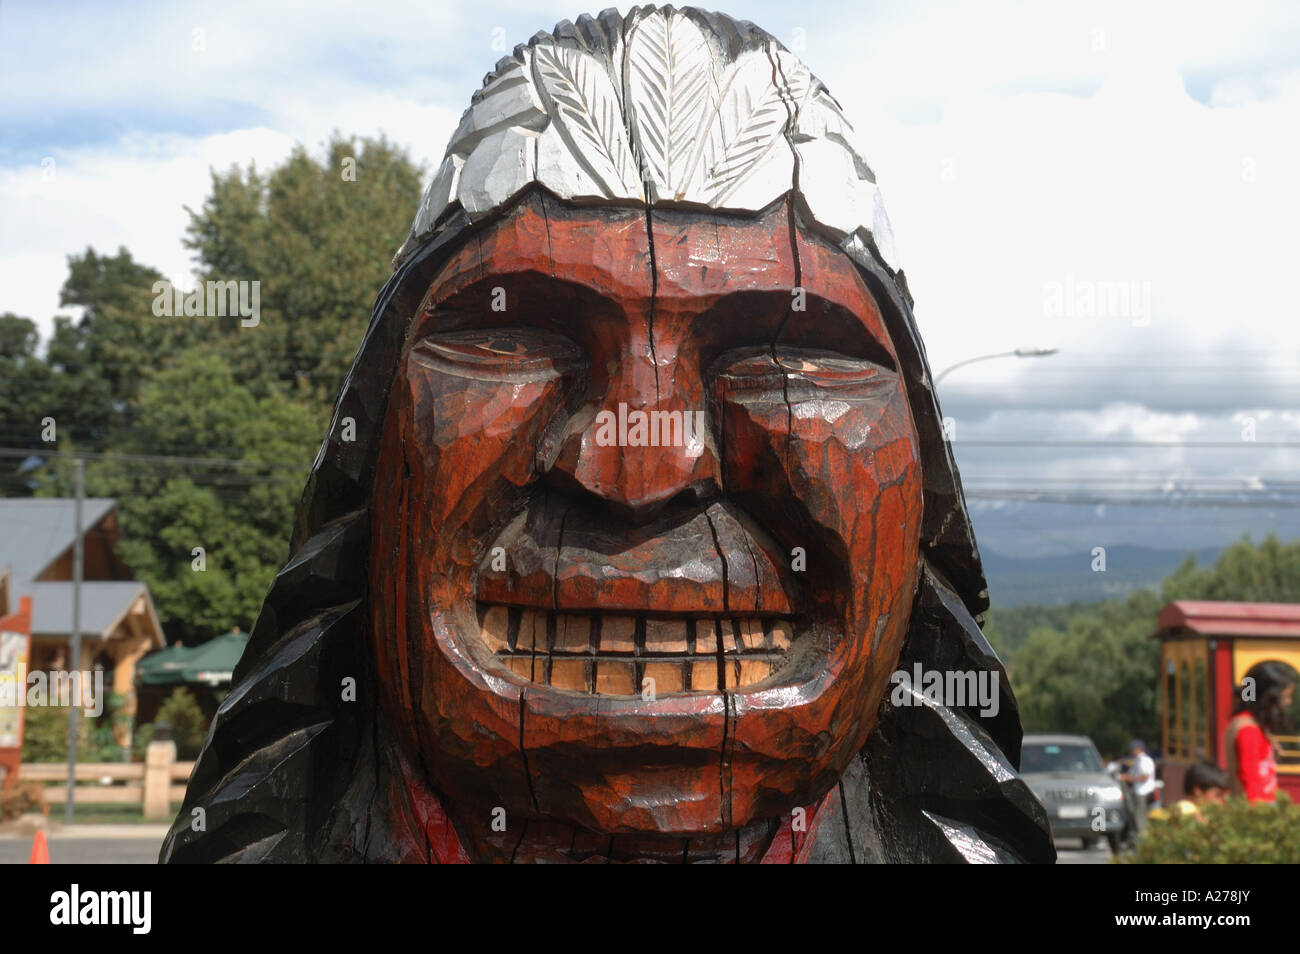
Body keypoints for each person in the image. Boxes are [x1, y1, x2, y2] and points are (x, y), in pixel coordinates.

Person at [1225, 661, 1296, 803]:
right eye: (1286, 696)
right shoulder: (1248, 730)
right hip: (1258, 809)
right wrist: (1260, 816)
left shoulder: (1247, 722)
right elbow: (1250, 778)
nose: (1289, 702)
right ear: (1269, 698)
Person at [1149, 760, 1227, 823]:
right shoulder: (1186, 811)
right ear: (1198, 790)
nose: (1220, 802)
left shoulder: (1203, 813)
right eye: (1217, 795)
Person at [1118, 738, 1158, 833]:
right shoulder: (1137, 760)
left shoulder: (1144, 760)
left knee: (1140, 819)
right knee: (1137, 817)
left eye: (1133, 749)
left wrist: (1129, 778)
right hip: (1138, 792)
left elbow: (1145, 777)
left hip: (1143, 793)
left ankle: (1142, 840)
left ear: (1139, 749)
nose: (1132, 751)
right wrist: (1124, 776)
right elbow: (1133, 774)